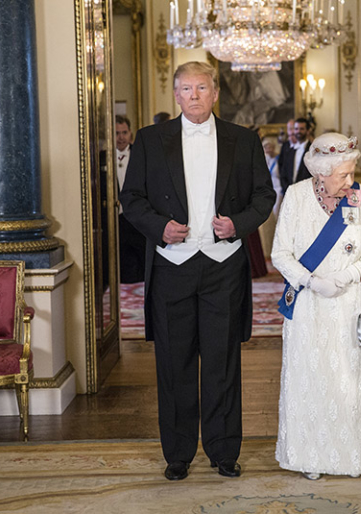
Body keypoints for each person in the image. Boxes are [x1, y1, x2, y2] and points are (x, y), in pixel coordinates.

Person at [120, 61, 276, 481]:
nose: (194, 95)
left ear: (215, 93)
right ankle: (178, 453)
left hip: (223, 266)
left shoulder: (244, 140)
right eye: (186, 88)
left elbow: (264, 196)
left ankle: (224, 451)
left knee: (222, 361)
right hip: (172, 266)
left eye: (202, 88)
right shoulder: (149, 140)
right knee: (175, 362)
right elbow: (131, 199)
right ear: (176, 95)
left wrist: (238, 224)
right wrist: (160, 228)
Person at [271, 132, 361, 480]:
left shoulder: (358, 197)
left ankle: (352, 456)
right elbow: (280, 254)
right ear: (321, 173)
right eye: (343, 174)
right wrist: (311, 281)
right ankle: (310, 457)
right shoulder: (295, 196)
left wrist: (346, 276)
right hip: (309, 306)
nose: (350, 181)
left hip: (347, 303)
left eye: (352, 172)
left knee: (348, 378)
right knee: (310, 378)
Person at [114, 115, 145, 284]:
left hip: (136, 216)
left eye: (124, 133)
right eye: (117, 133)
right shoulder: (103, 157)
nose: (121, 137)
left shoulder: (140, 154)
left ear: (130, 133)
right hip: (115, 217)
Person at [278, 118, 312, 193]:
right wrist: (288, 190)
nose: (298, 131)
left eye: (301, 129)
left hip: (306, 192)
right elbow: (283, 173)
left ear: (308, 131)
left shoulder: (313, 150)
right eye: (296, 129)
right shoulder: (289, 151)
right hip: (290, 192)